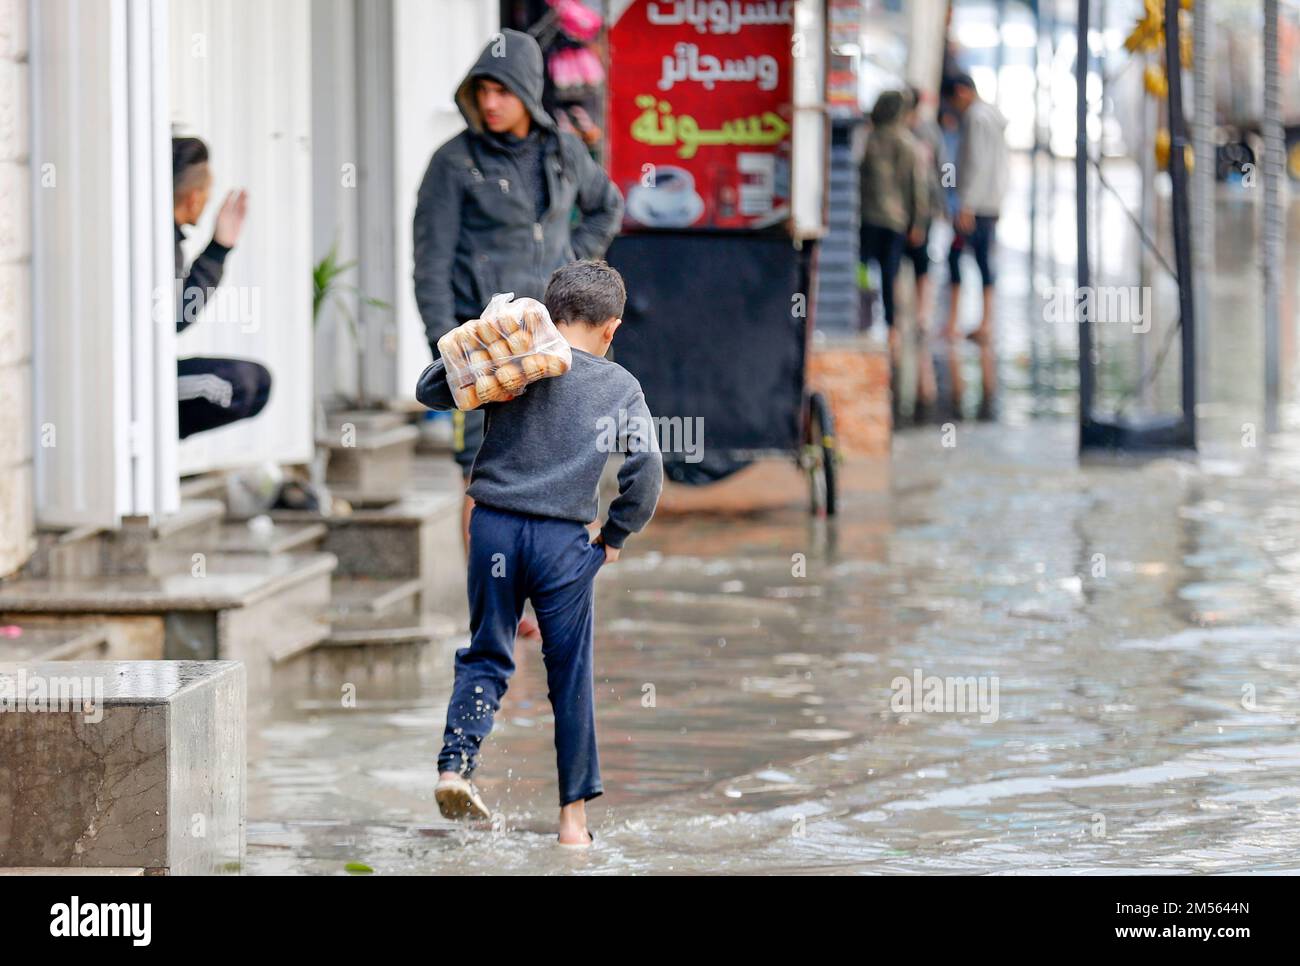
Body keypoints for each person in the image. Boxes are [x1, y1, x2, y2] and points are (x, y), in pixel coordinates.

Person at [415, 260, 663, 847]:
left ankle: (455, 767)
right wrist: (615, 537)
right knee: (568, 677)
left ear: (551, 313)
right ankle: (572, 824)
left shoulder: (517, 359)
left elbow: (429, 390)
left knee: (487, 653)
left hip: (493, 529)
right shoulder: (619, 384)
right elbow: (647, 470)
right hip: (563, 543)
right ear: (612, 329)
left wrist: (488, 334)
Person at [413, 28, 624, 639]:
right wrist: (446, 351)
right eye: (482, 90)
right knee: (482, 477)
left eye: (502, 90)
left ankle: (553, 596)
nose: (491, 103)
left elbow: (606, 203)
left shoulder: (561, 150)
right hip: (485, 352)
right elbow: (429, 264)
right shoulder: (453, 164)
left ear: (527, 93)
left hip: (554, 346)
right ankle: (495, 612)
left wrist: (572, 269)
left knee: (564, 467)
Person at [172, 137, 271, 439]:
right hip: (132, 381)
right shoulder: (157, 241)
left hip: (148, 371)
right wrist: (217, 251)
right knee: (237, 385)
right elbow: (175, 317)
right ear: (193, 198)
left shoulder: (166, 238)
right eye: (207, 191)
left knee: (258, 384)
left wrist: (219, 248)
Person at [940, 72, 1009, 419]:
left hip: (976, 205)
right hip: (990, 203)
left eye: (954, 99)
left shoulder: (978, 117)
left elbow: (977, 163)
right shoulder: (992, 116)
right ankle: (983, 321)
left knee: (958, 256)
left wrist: (964, 203)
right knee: (982, 261)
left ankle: (965, 322)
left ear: (963, 92)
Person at [858, 90, 929, 418]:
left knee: (862, 271)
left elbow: (858, 179)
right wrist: (919, 221)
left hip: (868, 218)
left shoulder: (869, 140)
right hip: (896, 221)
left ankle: (861, 320)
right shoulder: (907, 142)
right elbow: (917, 185)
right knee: (889, 274)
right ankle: (891, 329)